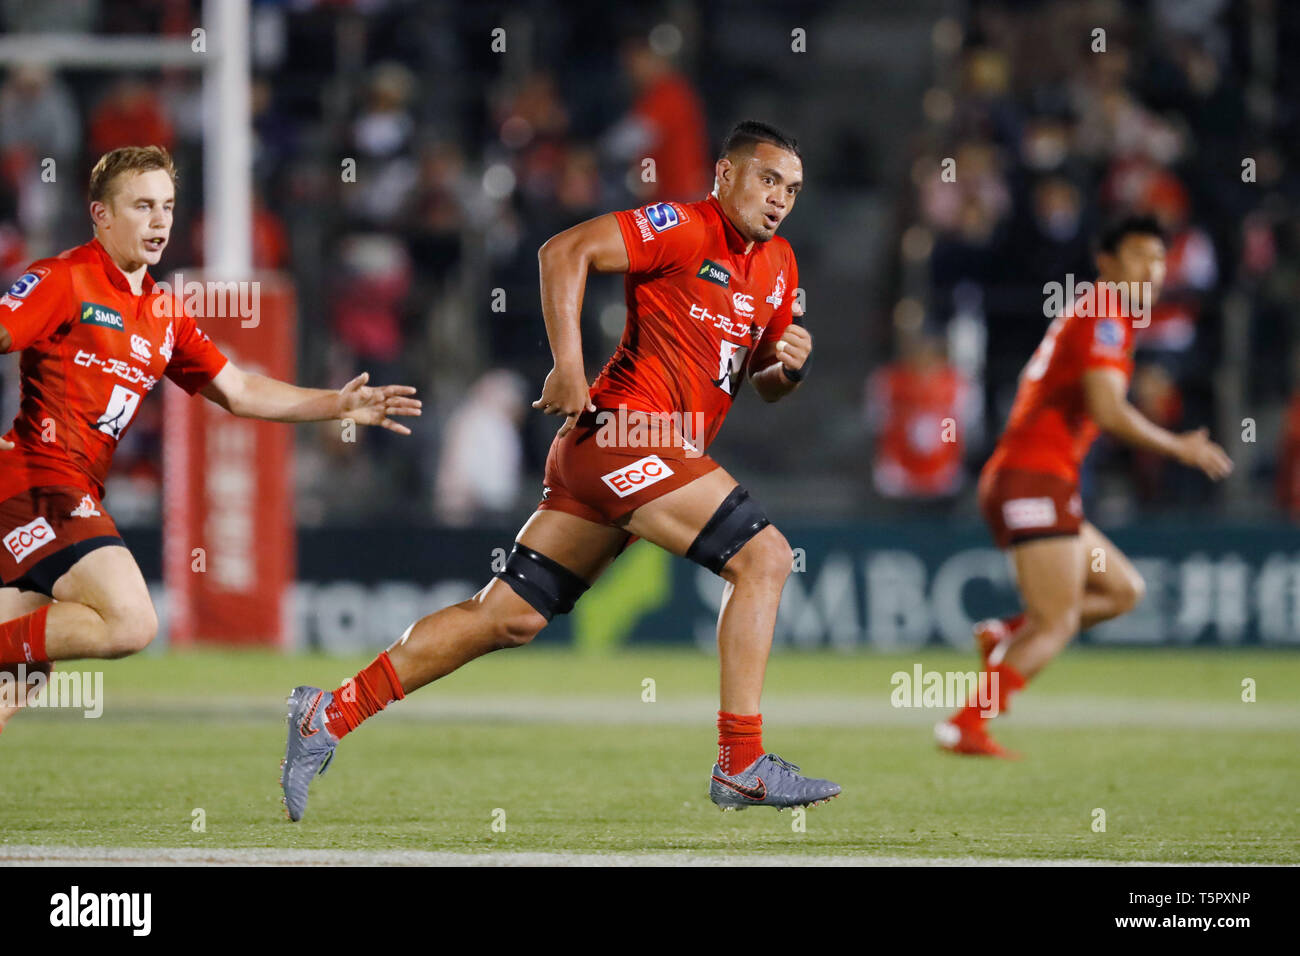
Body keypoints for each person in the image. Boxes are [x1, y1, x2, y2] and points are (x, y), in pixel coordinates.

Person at [281, 120, 840, 820]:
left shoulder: (780, 264)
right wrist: (569, 365)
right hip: (628, 434)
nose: (780, 197)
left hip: (617, 455)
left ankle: (328, 713)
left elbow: (761, 380)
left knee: (507, 616)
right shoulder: (684, 227)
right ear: (724, 174)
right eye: (766, 179)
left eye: (791, 187)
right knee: (764, 557)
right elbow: (564, 251)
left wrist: (790, 367)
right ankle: (741, 762)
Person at [0, 146, 420, 732]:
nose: (159, 221)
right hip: (37, 481)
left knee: (14, 679)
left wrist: (338, 405)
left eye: (167, 207)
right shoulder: (62, 279)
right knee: (131, 622)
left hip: (72, 487)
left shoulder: (165, 313)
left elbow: (240, 391)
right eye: (142, 206)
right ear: (100, 214)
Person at [935, 214, 1232, 757]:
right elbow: (1108, 410)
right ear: (1107, 261)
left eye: (1161, 258)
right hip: (1032, 477)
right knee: (1058, 622)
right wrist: (1179, 446)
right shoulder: (1106, 316)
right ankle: (965, 724)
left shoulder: (1100, 314)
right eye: (1141, 255)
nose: (1155, 269)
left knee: (1123, 591)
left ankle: (1005, 635)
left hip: (1041, 478)